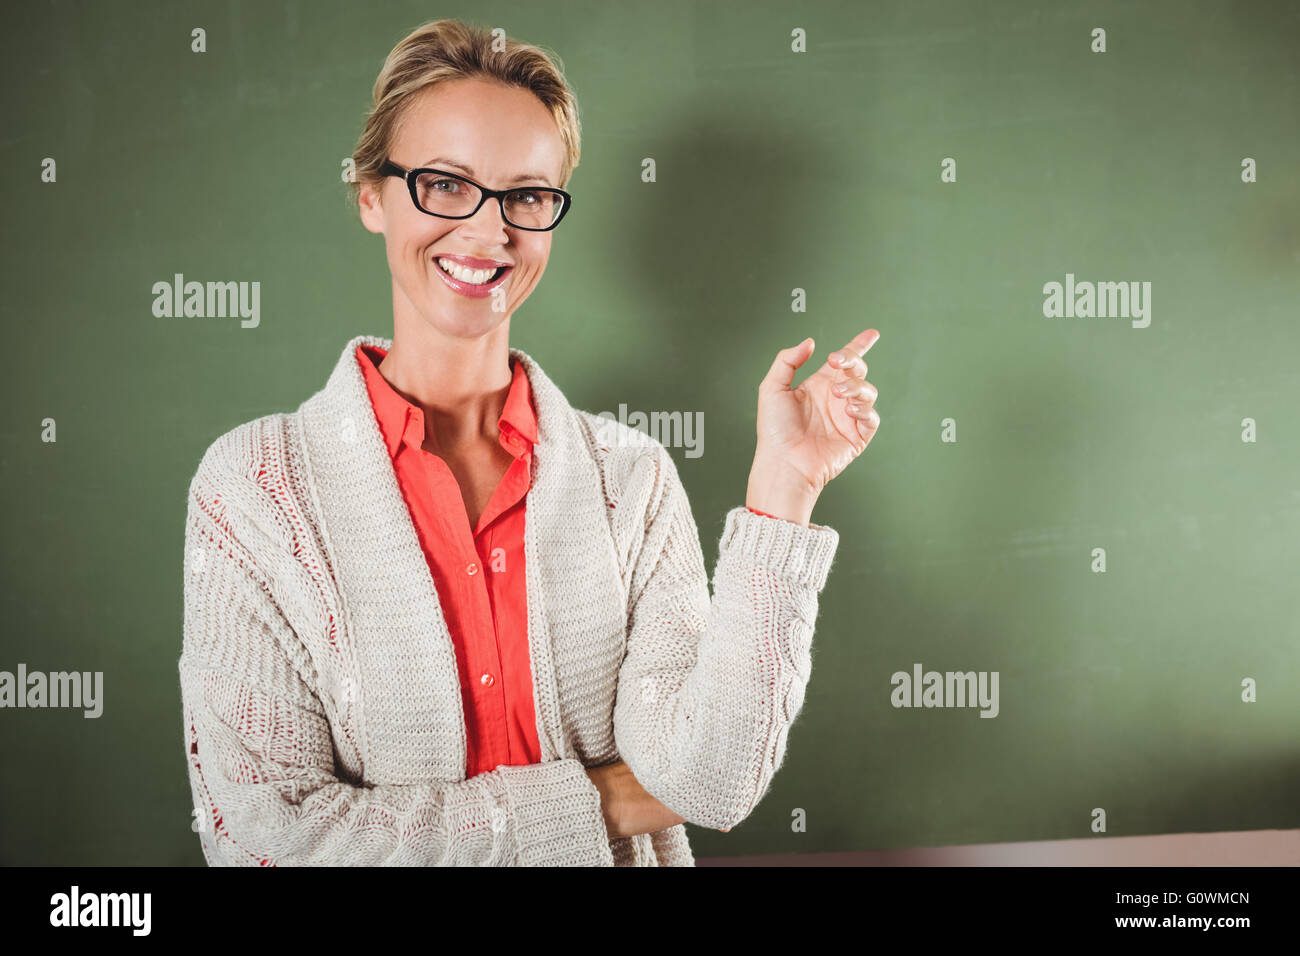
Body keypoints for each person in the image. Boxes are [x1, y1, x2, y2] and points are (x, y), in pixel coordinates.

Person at [179, 18, 881, 866]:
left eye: (527, 196)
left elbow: (709, 779)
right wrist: (600, 799)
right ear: (371, 195)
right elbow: (268, 840)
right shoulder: (253, 489)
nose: (488, 232)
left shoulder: (633, 478)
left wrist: (785, 489)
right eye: (445, 184)